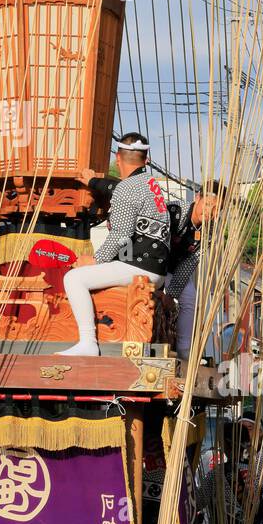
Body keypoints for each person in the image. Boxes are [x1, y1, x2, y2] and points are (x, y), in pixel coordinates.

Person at [58, 133, 171, 357]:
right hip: (157, 271)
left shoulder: (127, 188)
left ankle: (88, 342)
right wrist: (93, 181)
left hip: (138, 267)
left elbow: (121, 234)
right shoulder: (149, 185)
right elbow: (115, 188)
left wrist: (95, 259)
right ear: (146, 160)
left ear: (117, 158)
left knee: (74, 278)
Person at [164, 183, 222, 360]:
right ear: (197, 198)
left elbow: (191, 262)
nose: (209, 212)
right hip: (156, 265)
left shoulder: (210, 231)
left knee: (190, 297)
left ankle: (184, 349)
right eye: (207, 205)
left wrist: (172, 293)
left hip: (177, 269)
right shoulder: (174, 211)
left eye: (215, 209)